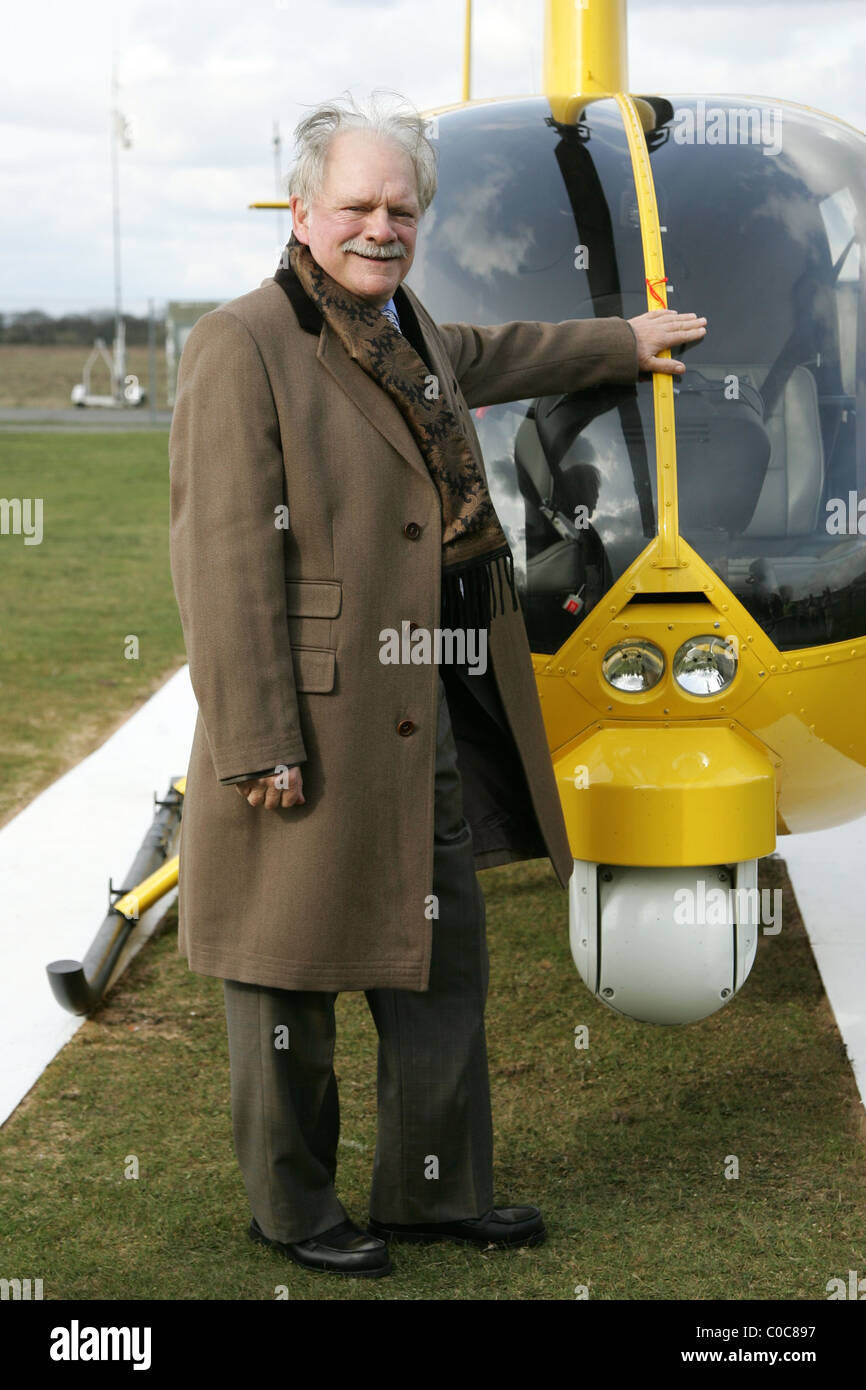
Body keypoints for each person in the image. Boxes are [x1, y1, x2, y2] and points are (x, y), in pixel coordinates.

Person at [168, 92, 707, 1279]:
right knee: (284, 975)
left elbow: (501, 352)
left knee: (438, 954)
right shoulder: (240, 343)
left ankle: (431, 1191)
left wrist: (625, 341)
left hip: (439, 699)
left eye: (399, 207)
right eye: (355, 204)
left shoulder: (411, 327)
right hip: (309, 716)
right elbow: (220, 563)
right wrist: (257, 739)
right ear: (303, 211)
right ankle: (292, 1210)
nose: (379, 225)